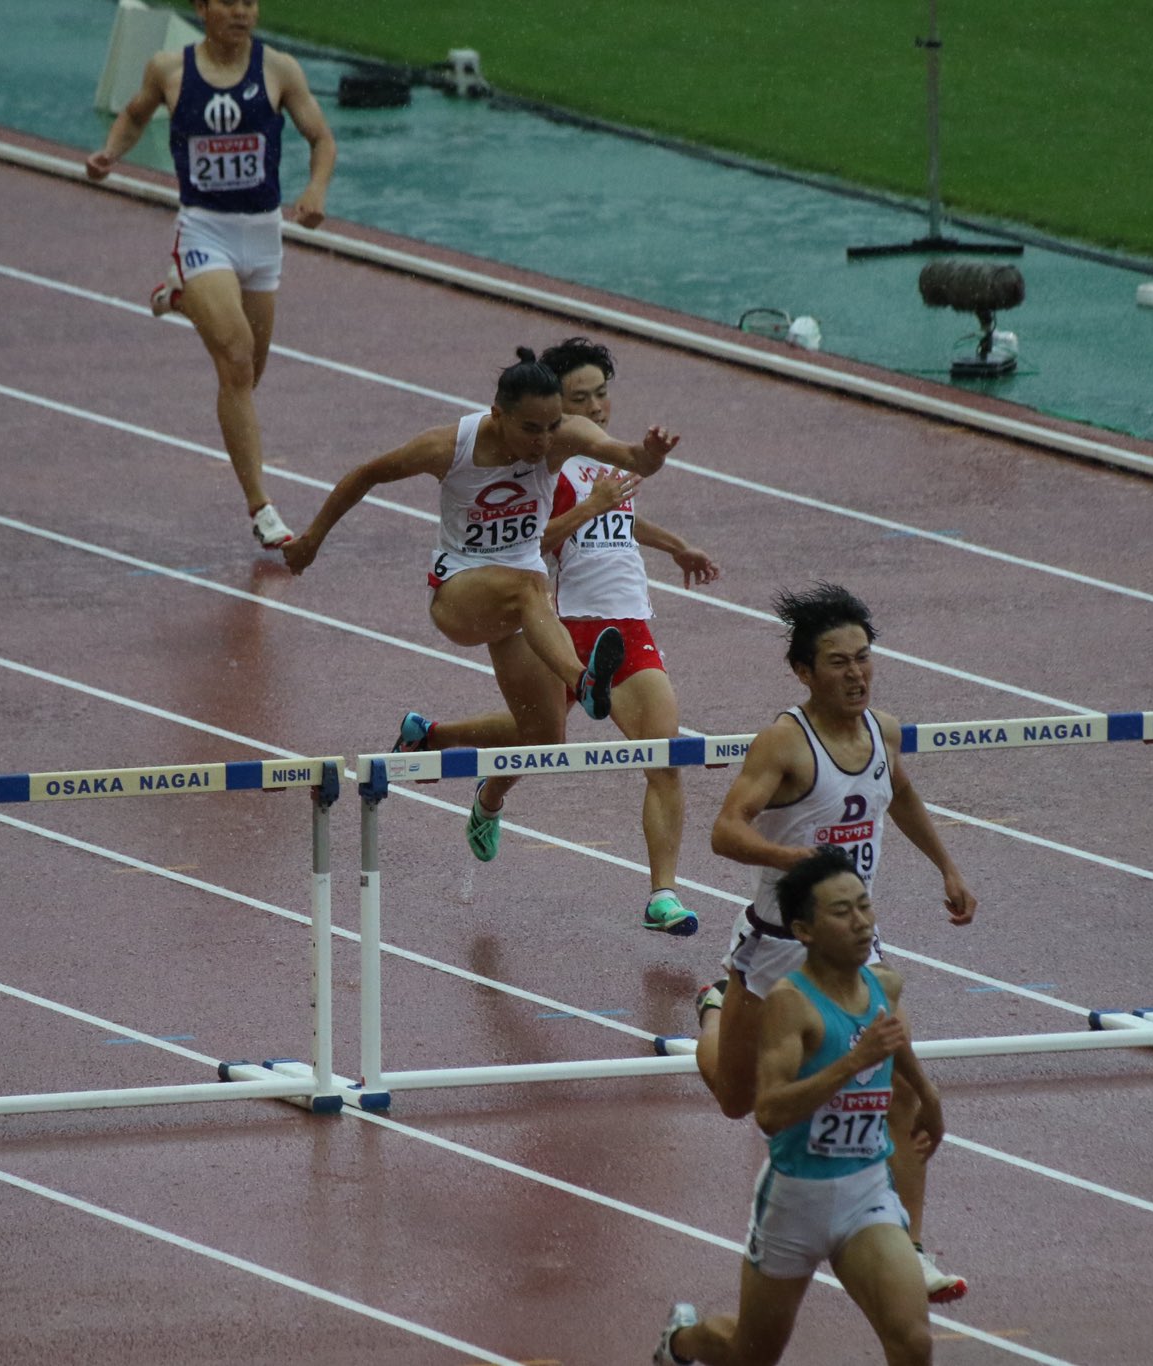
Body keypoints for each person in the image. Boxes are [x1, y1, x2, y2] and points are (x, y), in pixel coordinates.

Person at [283, 349, 677, 858]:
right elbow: (367, 474)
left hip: (519, 609)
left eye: (551, 427)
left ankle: (433, 737)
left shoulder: (562, 437)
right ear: (497, 415)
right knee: (529, 583)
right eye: (530, 429)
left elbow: (629, 457)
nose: (542, 442)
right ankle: (584, 681)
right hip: (460, 593)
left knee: (544, 738)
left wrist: (653, 454)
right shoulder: (451, 446)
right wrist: (312, 540)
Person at [697, 584, 976, 1302]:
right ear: (804, 671)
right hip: (776, 943)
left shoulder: (882, 730)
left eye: (863, 658)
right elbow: (725, 831)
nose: (856, 674)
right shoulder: (785, 742)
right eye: (838, 662)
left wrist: (946, 866)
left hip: (854, 944)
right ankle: (713, 1009)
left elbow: (898, 793)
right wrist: (798, 861)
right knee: (737, 1099)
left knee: (900, 1090)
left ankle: (910, 1247)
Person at [392, 337, 721, 935]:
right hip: (560, 624)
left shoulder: (603, 460)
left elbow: (621, 516)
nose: (595, 408)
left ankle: (663, 894)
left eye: (602, 394)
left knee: (663, 756)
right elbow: (527, 547)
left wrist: (676, 546)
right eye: (581, 398)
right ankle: (474, 777)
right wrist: (590, 506)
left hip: (626, 627)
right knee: (542, 742)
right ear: (554, 408)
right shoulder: (540, 463)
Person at [655, 847, 940, 1366]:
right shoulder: (791, 1003)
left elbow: (892, 1038)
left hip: (866, 1190)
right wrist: (853, 1064)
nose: (861, 923)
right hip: (795, 1201)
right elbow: (769, 1110)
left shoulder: (886, 984)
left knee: (913, 1341)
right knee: (752, 1354)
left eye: (864, 906)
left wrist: (927, 1093)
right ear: (804, 931)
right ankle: (682, 1341)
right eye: (842, 912)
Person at [85, 0, 337, 551]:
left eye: (250, 2)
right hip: (205, 231)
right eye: (229, 2)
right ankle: (261, 506)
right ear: (202, 7)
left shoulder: (279, 69)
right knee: (237, 358)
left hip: (263, 237)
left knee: (247, 376)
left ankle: (180, 296)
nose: (242, 12)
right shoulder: (169, 69)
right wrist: (110, 153)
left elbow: (321, 138)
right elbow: (134, 114)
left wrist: (316, 190)